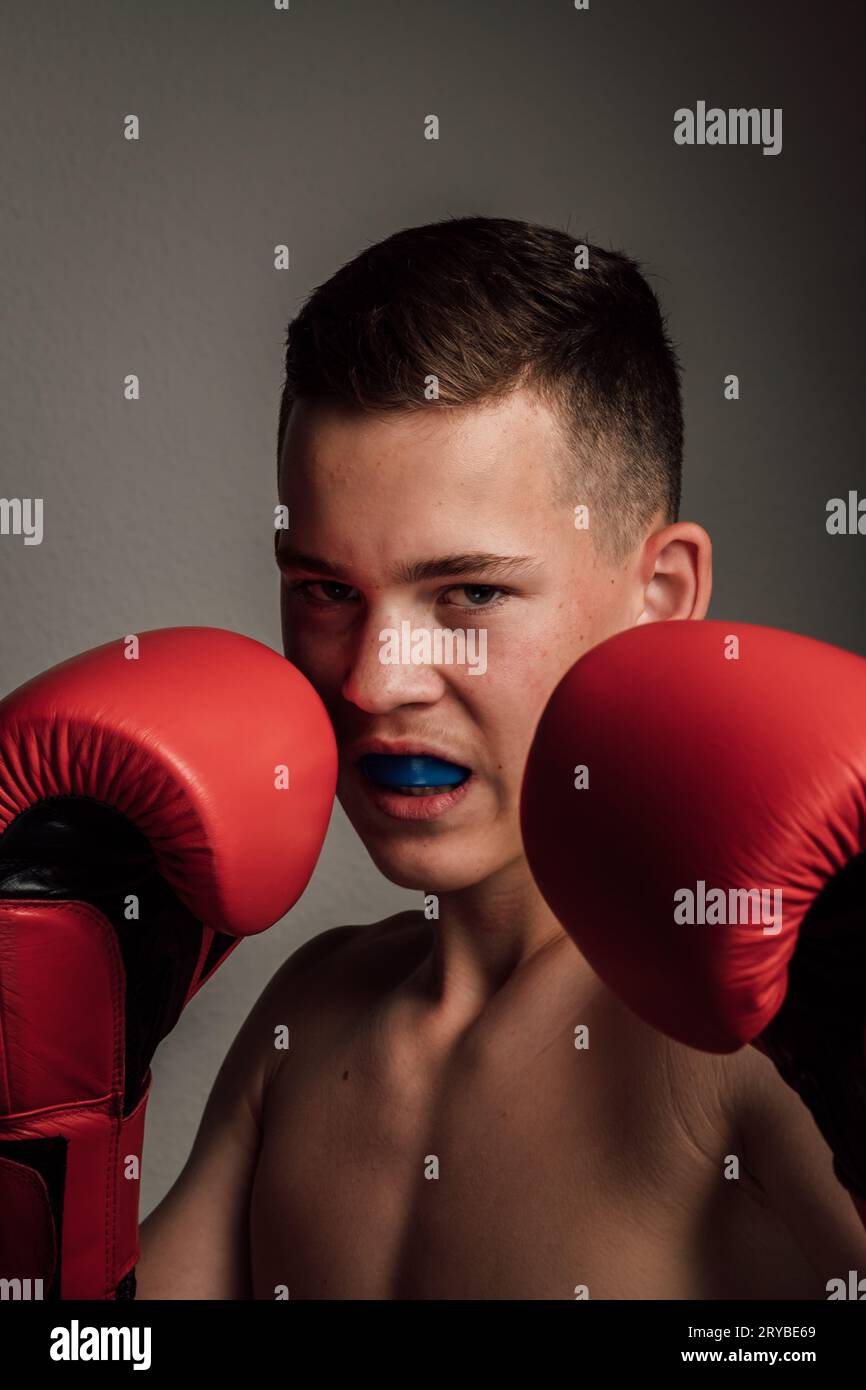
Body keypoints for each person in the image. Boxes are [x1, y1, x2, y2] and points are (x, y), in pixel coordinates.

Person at [136, 216, 866, 1299]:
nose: (376, 681)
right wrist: (66, 1099)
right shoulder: (310, 1014)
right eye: (327, 592)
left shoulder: (739, 1059)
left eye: (468, 593)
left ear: (657, 599)